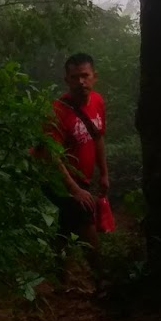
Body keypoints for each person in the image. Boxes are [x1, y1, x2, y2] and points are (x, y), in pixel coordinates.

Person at [44, 52, 110, 270]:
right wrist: (74, 190)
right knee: (85, 218)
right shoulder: (57, 110)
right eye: (75, 77)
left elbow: (98, 137)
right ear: (67, 80)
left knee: (67, 225)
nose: (81, 81)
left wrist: (104, 173)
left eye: (85, 75)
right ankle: (102, 277)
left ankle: (58, 273)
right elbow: (53, 155)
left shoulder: (97, 101)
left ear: (94, 77)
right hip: (57, 179)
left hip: (82, 178)